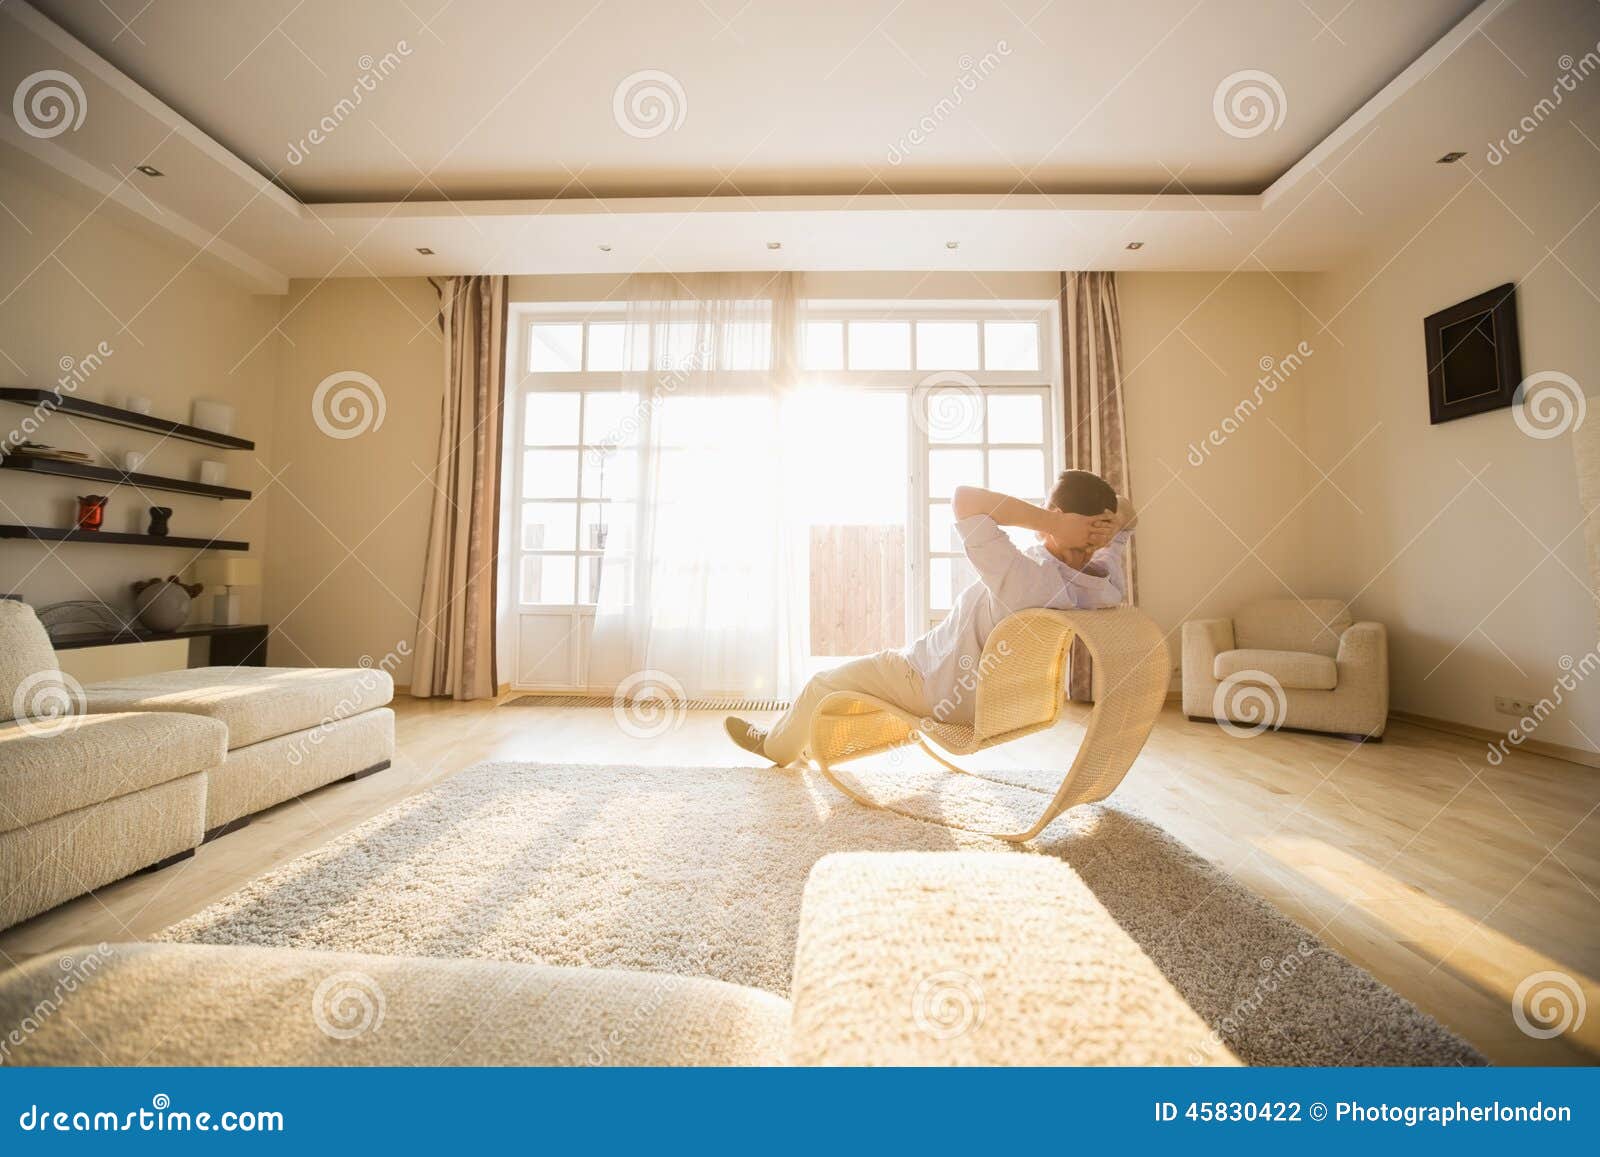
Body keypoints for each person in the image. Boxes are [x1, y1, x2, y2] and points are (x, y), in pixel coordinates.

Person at [725, 470, 1136, 765]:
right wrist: (1103, 531)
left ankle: (775, 747)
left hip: (927, 681)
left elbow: (964, 498)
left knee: (821, 684)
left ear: (1058, 515)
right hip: (986, 704)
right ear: (1100, 531)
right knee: (868, 671)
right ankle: (805, 742)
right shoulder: (1103, 583)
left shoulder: (1025, 578)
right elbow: (1129, 513)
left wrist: (1051, 523)